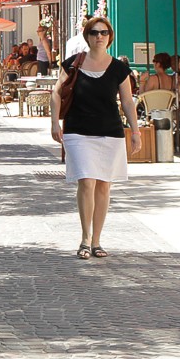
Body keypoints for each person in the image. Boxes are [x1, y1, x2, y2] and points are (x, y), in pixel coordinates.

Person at [50, 15, 140, 260]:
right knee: (86, 181)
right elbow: (56, 94)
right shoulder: (72, 64)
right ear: (87, 36)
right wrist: (54, 122)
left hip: (110, 131)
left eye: (103, 33)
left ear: (110, 37)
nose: (99, 36)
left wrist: (135, 132)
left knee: (103, 185)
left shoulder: (119, 69)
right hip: (78, 130)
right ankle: (84, 238)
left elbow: (128, 102)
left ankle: (97, 240)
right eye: (94, 33)